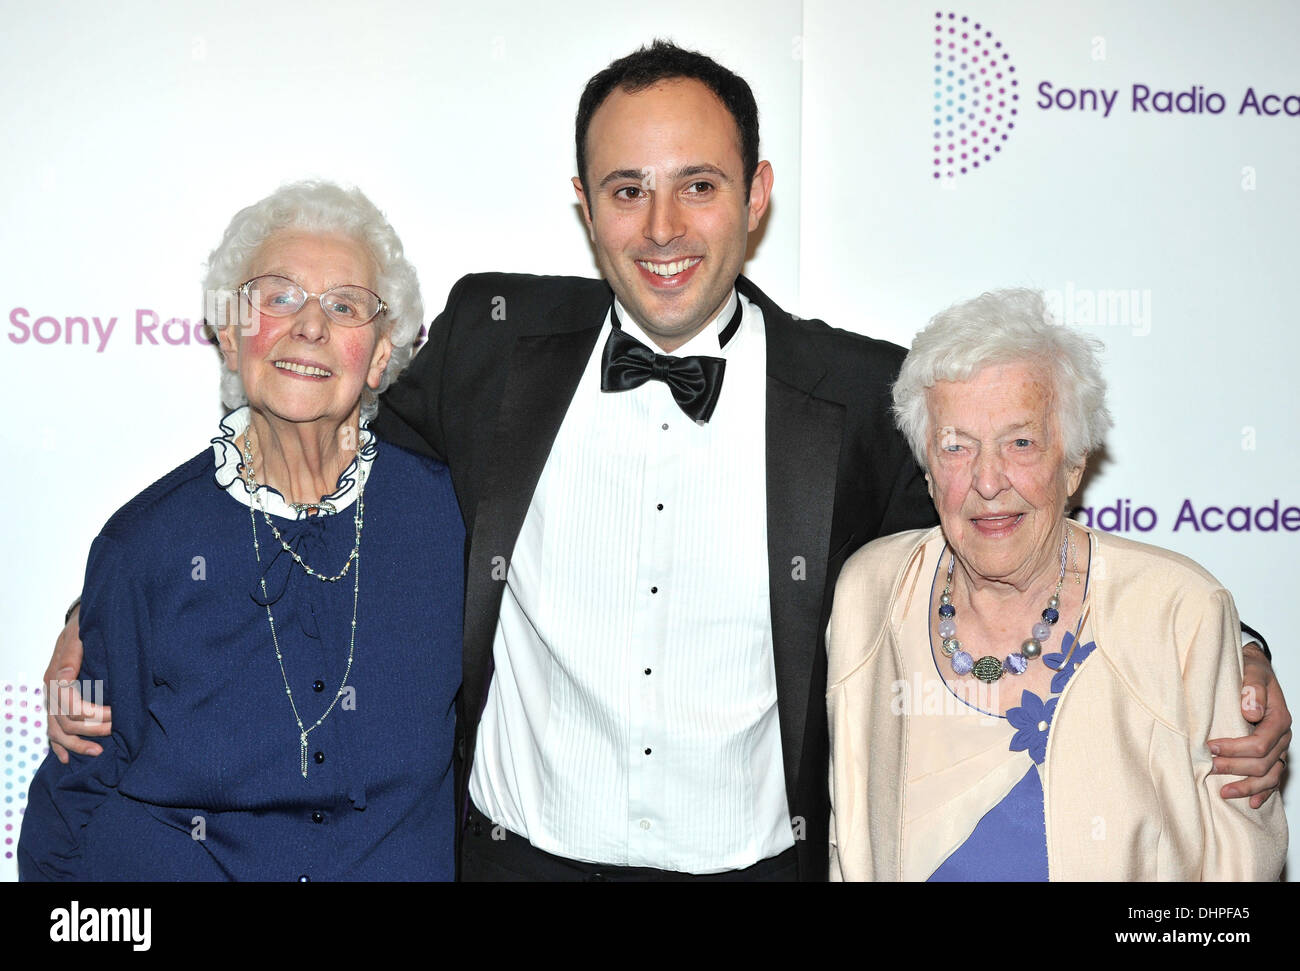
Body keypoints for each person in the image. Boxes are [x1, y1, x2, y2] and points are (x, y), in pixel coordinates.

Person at [44, 43, 1289, 881]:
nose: (662, 227)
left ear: (755, 196)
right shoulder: (489, 347)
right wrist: (101, 611)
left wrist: (1229, 655)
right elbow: (295, 444)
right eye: (625, 189)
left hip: (763, 868)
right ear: (582, 208)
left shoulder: (856, 393)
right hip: (514, 862)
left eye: (696, 186)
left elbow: (1009, 529)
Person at [21, 181, 463, 881]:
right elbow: (76, 802)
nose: (309, 326)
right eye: (278, 297)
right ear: (229, 333)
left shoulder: (450, 516)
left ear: (380, 356)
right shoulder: (145, 543)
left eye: (344, 305)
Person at [826, 288, 1288, 880]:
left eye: (1020, 443)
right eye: (955, 447)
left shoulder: (1179, 613)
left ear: (1073, 463)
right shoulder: (871, 594)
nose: (987, 480)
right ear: (926, 468)